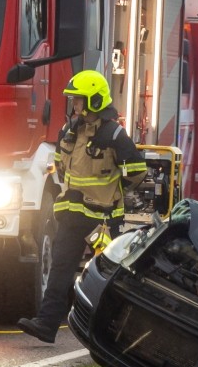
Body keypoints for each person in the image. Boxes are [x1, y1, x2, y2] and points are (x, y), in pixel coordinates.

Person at [18, 69, 146, 343]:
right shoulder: (69, 131)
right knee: (60, 268)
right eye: (74, 100)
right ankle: (46, 324)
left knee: (109, 275)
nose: (74, 105)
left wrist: (114, 191)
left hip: (102, 219)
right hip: (74, 214)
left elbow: (137, 171)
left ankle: (113, 336)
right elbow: (61, 167)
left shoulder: (114, 135)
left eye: (78, 100)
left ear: (94, 101)